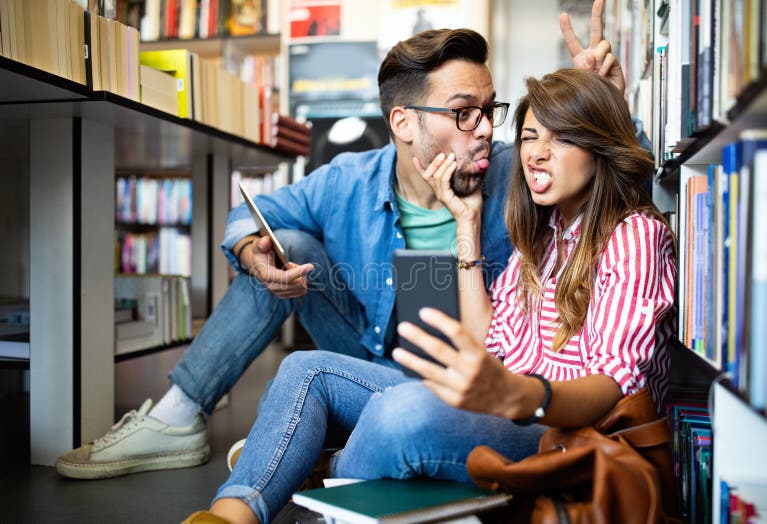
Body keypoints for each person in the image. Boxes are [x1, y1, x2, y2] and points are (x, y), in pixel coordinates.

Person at [56, 0, 640, 480]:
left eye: (491, 110)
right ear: (404, 123)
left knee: (422, 283)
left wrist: (603, 109)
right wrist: (248, 251)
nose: (485, 129)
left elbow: (601, 185)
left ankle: (332, 447)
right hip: (374, 357)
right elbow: (245, 214)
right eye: (465, 113)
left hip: (485, 374)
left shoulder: (517, 170)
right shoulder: (348, 181)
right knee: (281, 242)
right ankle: (179, 416)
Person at [185, 67, 677, 524]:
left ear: (599, 147)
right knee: (304, 369)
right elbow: (491, 342)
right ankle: (232, 513)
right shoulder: (542, 234)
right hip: (504, 401)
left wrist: (520, 393)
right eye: (530, 136)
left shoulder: (634, 235)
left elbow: (616, 386)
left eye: (563, 138)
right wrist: (466, 221)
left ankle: (315, 482)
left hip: (561, 430)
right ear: (402, 122)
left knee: (400, 414)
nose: (536, 153)